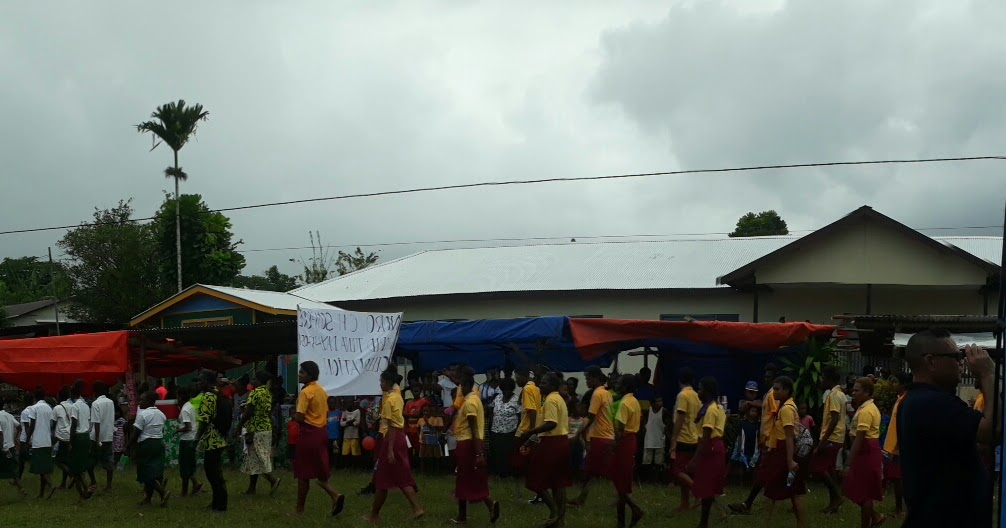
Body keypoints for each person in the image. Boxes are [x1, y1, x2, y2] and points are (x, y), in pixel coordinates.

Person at [898, 330, 996, 528]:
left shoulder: (922, 399)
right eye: (956, 357)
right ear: (931, 361)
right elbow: (993, 431)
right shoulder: (930, 402)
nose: (961, 363)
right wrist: (988, 374)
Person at [368, 369, 424, 524]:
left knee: (383, 479)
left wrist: (390, 449)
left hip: (391, 438)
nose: (380, 384)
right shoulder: (398, 397)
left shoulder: (389, 401)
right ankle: (415, 508)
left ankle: (374, 516)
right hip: (399, 437)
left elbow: (391, 425)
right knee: (399, 476)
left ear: (387, 382)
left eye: (381, 381)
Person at [291, 361, 346, 517]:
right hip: (322, 432)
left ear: (309, 375)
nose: (299, 374)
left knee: (303, 473)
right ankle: (334, 496)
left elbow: (300, 416)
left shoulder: (306, 392)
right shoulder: (321, 390)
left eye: (301, 372)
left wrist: (293, 416)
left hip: (308, 434)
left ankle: (299, 510)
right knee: (318, 470)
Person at [519, 372, 572, 528]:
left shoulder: (550, 400)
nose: (540, 385)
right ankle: (560, 520)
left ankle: (555, 513)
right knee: (558, 483)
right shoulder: (557, 399)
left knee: (535, 480)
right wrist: (531, 440)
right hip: (561, 442)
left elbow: (551, 423)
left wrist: (530, 431)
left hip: (552, 443)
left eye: (543, 383)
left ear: (553, 386)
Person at [451, 366, 501, 524]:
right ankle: (484, 508)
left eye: (461, 385)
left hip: (468, 444)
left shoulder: (471, 402)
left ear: (466, 385)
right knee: (472, 478)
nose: (460, 388)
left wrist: (478, 453)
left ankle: (465, 515)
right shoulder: (472, 399)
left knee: (465, 478)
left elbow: (473, 428)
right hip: (469, 443)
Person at [729, 364, 781, 515]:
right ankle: (749, 504)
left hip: (771, 439)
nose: (766, 379)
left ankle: (749, 504)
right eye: (765, 376)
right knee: (766, 472)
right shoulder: (769, 394)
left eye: (769, 376)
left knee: (767, 472)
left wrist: (768, 437)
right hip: (767, 438)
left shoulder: (772, 395)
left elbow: (775, 416)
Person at [762, 376, 807, 528]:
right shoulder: (784, 406)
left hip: (783, 452)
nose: (774, 392)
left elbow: (789, 437)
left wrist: (789, 460)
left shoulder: (787, 409)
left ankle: (766, 523)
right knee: (793, 493)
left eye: (777, 389)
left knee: (771, 491)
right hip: (781, 450)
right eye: (773, 388)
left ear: (786, 390)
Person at [569, 366, 614, 507]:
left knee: (598, 470)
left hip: (600, 436)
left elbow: (590, 416)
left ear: (595, 378)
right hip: (605, 435)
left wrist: (577, 434)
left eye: (588, 378)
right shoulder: (606, 392)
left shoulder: (597, 394)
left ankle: (624, 497)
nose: (587, 380)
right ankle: (581, 498)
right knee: (591, 471)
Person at [844, 377, 885, 528]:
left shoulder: (867, 411)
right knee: (857, 488)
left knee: (865, 492)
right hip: (864, 452)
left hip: (866, 452)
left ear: (867, 392)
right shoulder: (864, 408)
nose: (853, 393)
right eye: (853, 390)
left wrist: (848, 463)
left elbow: (860, 439)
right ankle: (875, 516)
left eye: (856, 390)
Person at [690, 376, 728, 528]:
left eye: (700, 388)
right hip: (714, 447)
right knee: (709, 487)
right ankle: (706, 521)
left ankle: (703, 523)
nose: (698, 392)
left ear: (707, 391)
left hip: (710, 447)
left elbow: (705, 438)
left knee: (707, 487)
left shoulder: (711, 410)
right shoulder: (715, 406)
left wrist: (695, 459)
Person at [810, 365, 847, 514]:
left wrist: (823, 441)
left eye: (823, 378)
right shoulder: (840, 394)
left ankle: (837, 497)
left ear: (829, 379)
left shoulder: (832, 395)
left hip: (832, 437)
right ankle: (834, 503)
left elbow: (835, 418)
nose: (821, 381)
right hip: (838, 437)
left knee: (817, 467)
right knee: (829, 469)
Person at [239, 370, 282, 496]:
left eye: (254, 379)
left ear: (258, 380)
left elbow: (248, 412)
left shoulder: (255, 393)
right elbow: (268, 412)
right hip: (266, 428)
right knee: (254, 458)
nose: (252, 381)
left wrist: (239, 427)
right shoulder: (267, 393)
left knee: (258, 458)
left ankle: (273, 480)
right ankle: (251, 489)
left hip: (256, 429)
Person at [612, 374, 644, 528]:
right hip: (631, 440)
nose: (615, 384)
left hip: (624, 442)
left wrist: (614, 446)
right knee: (621, 482)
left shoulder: (624, 403)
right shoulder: (634, 401)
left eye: (618, 382)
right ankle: (625, 518)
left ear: (624, 386)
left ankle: (632, 511)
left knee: (621, 484)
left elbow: (619, 430)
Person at [196, 369, 230, 512]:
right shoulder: (218, 393)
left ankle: (220, 504)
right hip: (219, 437)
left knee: (213, 473)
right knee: (214, 472)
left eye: (200, 380)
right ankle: (217, 502)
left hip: (213, 439)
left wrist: (195, 440)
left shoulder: (208, 397)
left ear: (205, 381)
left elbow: (204, 421)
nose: (198, 383)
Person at [670, 367, 701, 512]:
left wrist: (673, 438)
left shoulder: (682, 395)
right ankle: (685, 504)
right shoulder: (695, 395)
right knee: (686, 472)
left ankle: (699, 492)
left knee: (677, 471)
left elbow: (680, 418)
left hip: (684, 437)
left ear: (679, 380)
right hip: (694, 437)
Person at [130, 391, 169, 507]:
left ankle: (163, 492)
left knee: (146, 473)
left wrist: (128, 446)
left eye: (141, 400)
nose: (139, 402)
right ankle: (148, 499)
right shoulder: (161, 414)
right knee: (155, 472)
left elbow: (136, 433)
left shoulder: (143, 414)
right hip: (158, 443)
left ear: (148, 402)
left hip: (146, 444)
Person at [882, 372, 910, 518]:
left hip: (897, 448)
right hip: (892, 446)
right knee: (896, 478)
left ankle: (900, 509)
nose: (893, 385)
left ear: (903, 384)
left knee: (898, 479)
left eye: (895, 382)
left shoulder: (905, 401)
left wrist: (896, 447)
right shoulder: (900, 399)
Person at [513, 367, 540, 502]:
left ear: (523, 376)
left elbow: (532, 410)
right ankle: (538, 494)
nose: (515, 380)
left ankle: (533, 494)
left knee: (521, 465)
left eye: (516, 376)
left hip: (525, 431)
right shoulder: (535, 388)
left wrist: (533, 432)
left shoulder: (527, 389)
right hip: (529, 430)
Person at [25, 386, 55, 499]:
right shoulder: (48, 408)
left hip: (38, 441)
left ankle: (51, 485)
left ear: (34, 397)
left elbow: (32, 425)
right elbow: (51, 424)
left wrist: (28, 439)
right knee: (44, 467)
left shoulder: (34, 408)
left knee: (40, 468)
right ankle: (41, 493)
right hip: (47, 440)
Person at [68, 379, 96, 498]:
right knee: (80, 466)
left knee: (75, 467)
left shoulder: (75, 406)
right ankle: (84, 490)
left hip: (78, 437)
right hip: (86, 436)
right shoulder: (85, 405)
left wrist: (70, 440)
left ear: (73, 393)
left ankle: (83, 491)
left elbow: (74, 424)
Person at [489, 377, 520, 477]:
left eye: (508, 390)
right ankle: (498, 472)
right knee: (497, 452)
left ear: (512, 389)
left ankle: (508, 473)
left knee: (507, 453)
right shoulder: (497, 397)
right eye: (504, 390)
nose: (506, 392)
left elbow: (520, 416)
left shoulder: (516, 400)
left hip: (510, 432)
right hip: (496, 430)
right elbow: (491, 409)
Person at [176, 386, 203, 497]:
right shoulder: (190, 406)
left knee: (184, 466)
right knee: (189, 464)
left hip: (187, 439)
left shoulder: (185, 409)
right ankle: (195, 483)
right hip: (192, 438)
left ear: (181, 397)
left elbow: (188, 426)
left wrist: (178, 430)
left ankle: (184, 492)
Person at [90, 380, 116, 492]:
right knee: (109, 460)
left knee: (90, 461)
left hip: (98, 436)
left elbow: (96, 422)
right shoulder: (110, 402)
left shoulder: (95, 404)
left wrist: (97, 440)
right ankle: (109, 485)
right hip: (108, 435)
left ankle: (93, 482)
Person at [0, 397, 25, 496]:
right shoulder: (9, 415)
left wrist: (2, 447)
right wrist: (15, 438)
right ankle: (21, 488)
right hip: (11, 445)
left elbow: (0, 434)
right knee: (13, 469)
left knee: (10, 468)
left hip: (3, 447)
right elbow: (19, 427)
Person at [51, 386, 73, 489]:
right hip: (71, 436)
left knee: (58, 460)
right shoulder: (72, 406)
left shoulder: (57, 408)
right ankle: (63, 483)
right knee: (66, 460)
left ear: (59, 396)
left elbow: (53, 424)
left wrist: (53, 437)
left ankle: (72, 475)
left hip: (62, 437)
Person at [642, 396, 668, 481]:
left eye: (661, 401)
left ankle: (656, 480)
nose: (660, 403)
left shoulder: (664, 411)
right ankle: (646, 480)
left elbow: (668, 425)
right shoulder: (647, 411)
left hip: (659, 440)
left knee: (658, 462)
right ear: (652, 403)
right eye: (658, 401)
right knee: (646, 461)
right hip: (649, 440)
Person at [418, 405, 444, 472]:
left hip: (434, 440)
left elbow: (439, 429)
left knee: (435, 457)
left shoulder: (438, 419)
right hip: (423, 440)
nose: (426, 412)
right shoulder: (420, 420)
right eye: (424, 411)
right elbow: (418, 429)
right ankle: (423, 471)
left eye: (427, 411)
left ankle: (436, 471)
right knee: (423, 457)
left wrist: (427, 423)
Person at [341, 399, 363, 467]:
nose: (348, 405)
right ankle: (346, 466)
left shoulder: (357, 412)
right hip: (346, 435)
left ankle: (355, 467)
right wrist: (350, 421)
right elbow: (342, 423)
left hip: (354, 435)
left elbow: (357, 423)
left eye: (349, 403)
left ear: (353, 403)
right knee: (345, 452)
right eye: (347, 403)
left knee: (355, 452)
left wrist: (347, 423)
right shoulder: (344, 413)